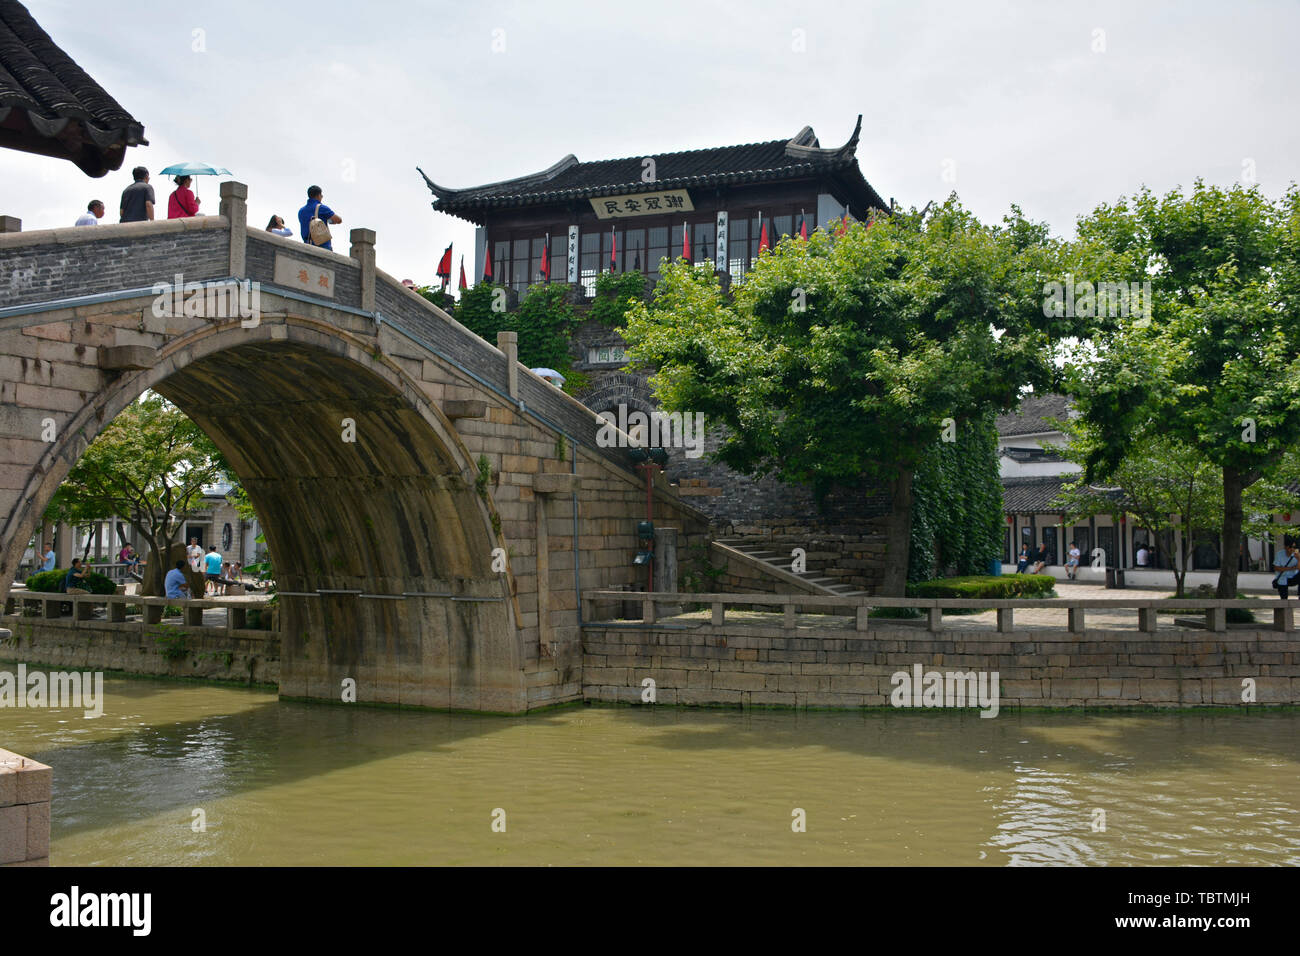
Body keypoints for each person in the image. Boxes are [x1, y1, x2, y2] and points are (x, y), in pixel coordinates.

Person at [298, 185, 342, 251]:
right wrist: (330, 221)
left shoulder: (301, 211)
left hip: (307, 245)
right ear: (318, 195)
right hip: (322, 246)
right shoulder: (322, 208)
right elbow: (339, 220)